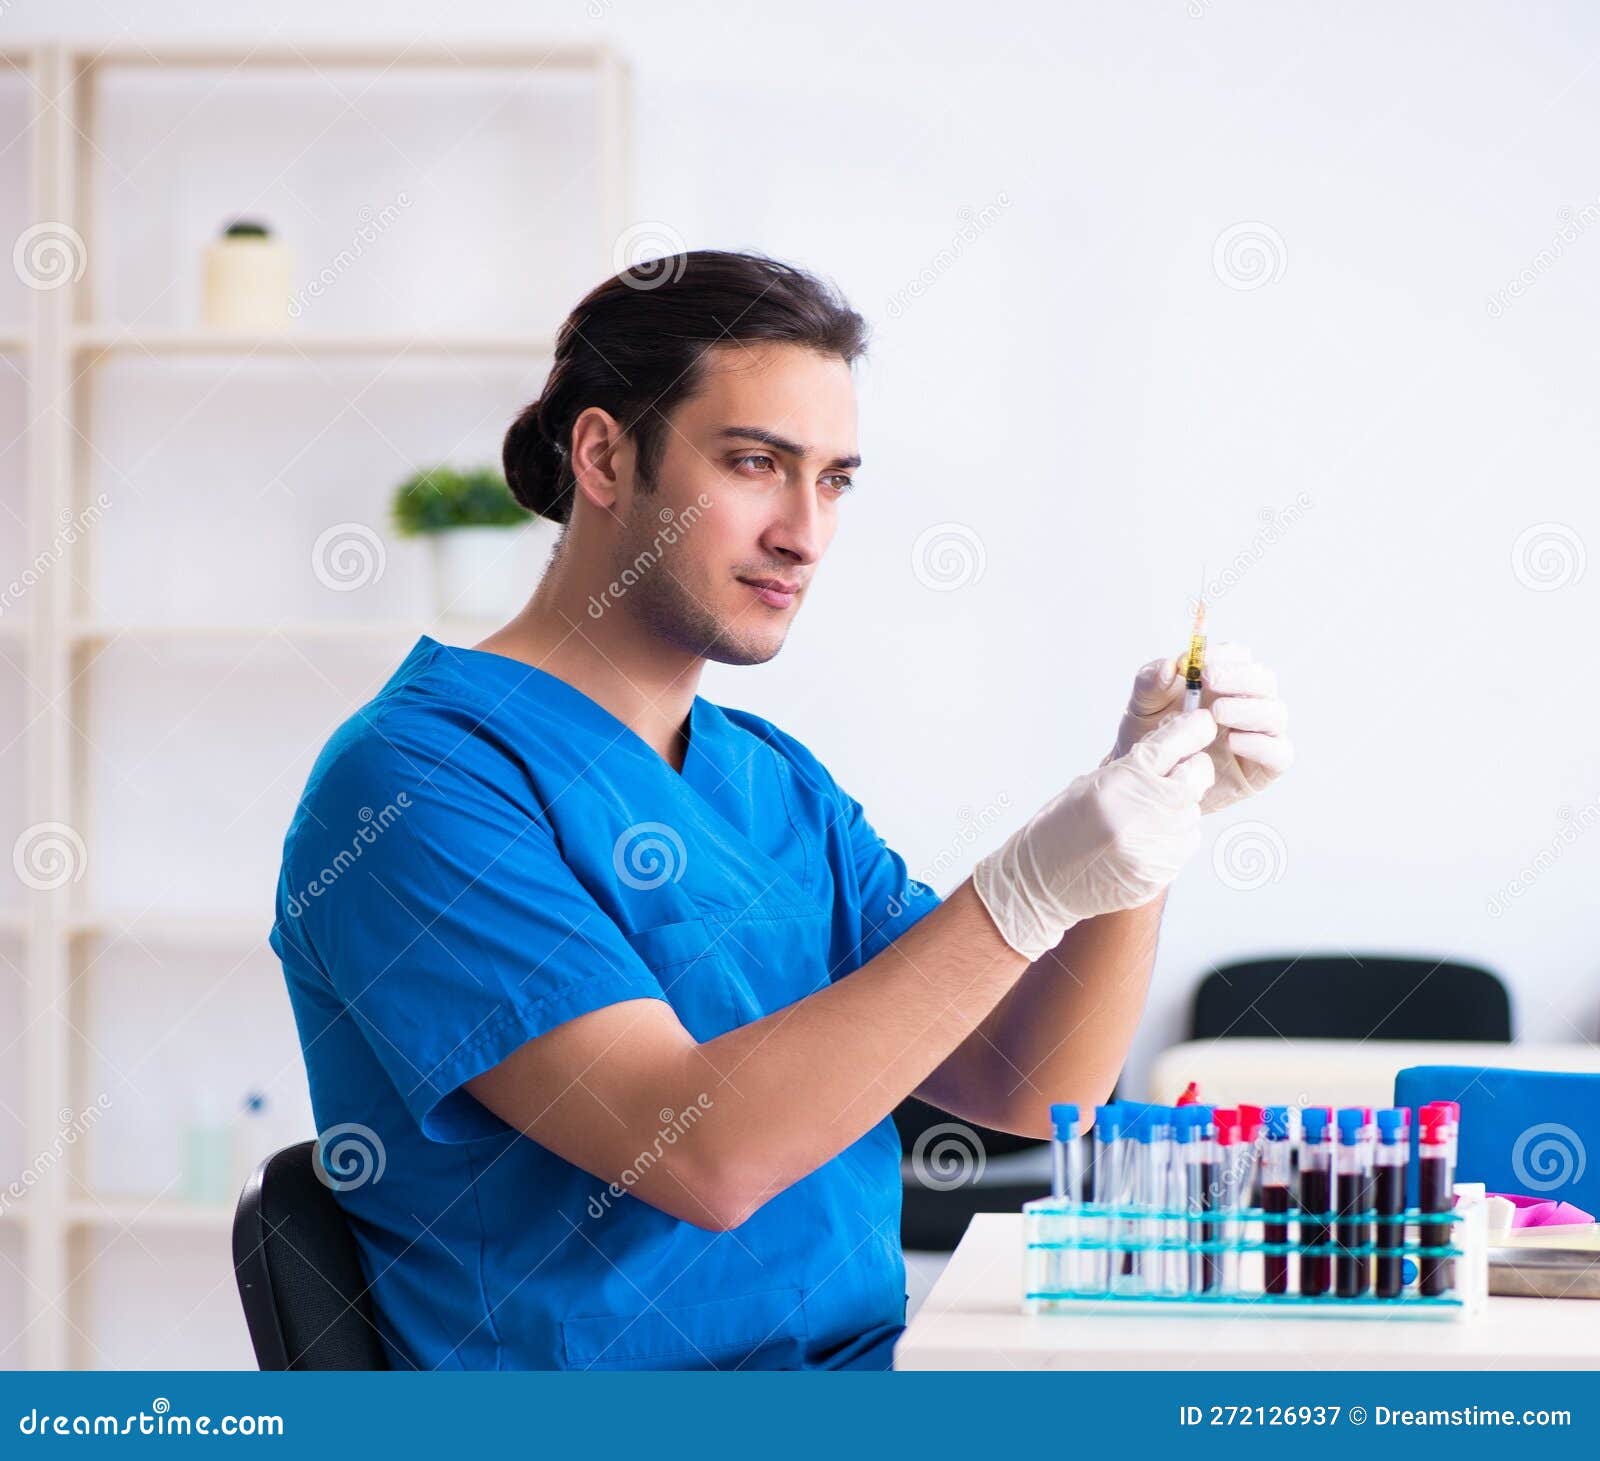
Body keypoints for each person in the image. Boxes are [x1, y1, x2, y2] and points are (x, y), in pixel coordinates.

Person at [269, 250, 1292, 1371]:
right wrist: (1026, 889)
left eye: (837, 480)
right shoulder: (420, 781)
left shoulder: (771, 778)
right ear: (606, 458)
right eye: (756, 463)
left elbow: (1024, 1082)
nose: (805, 532)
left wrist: (1140, 836)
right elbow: (704, 1155)